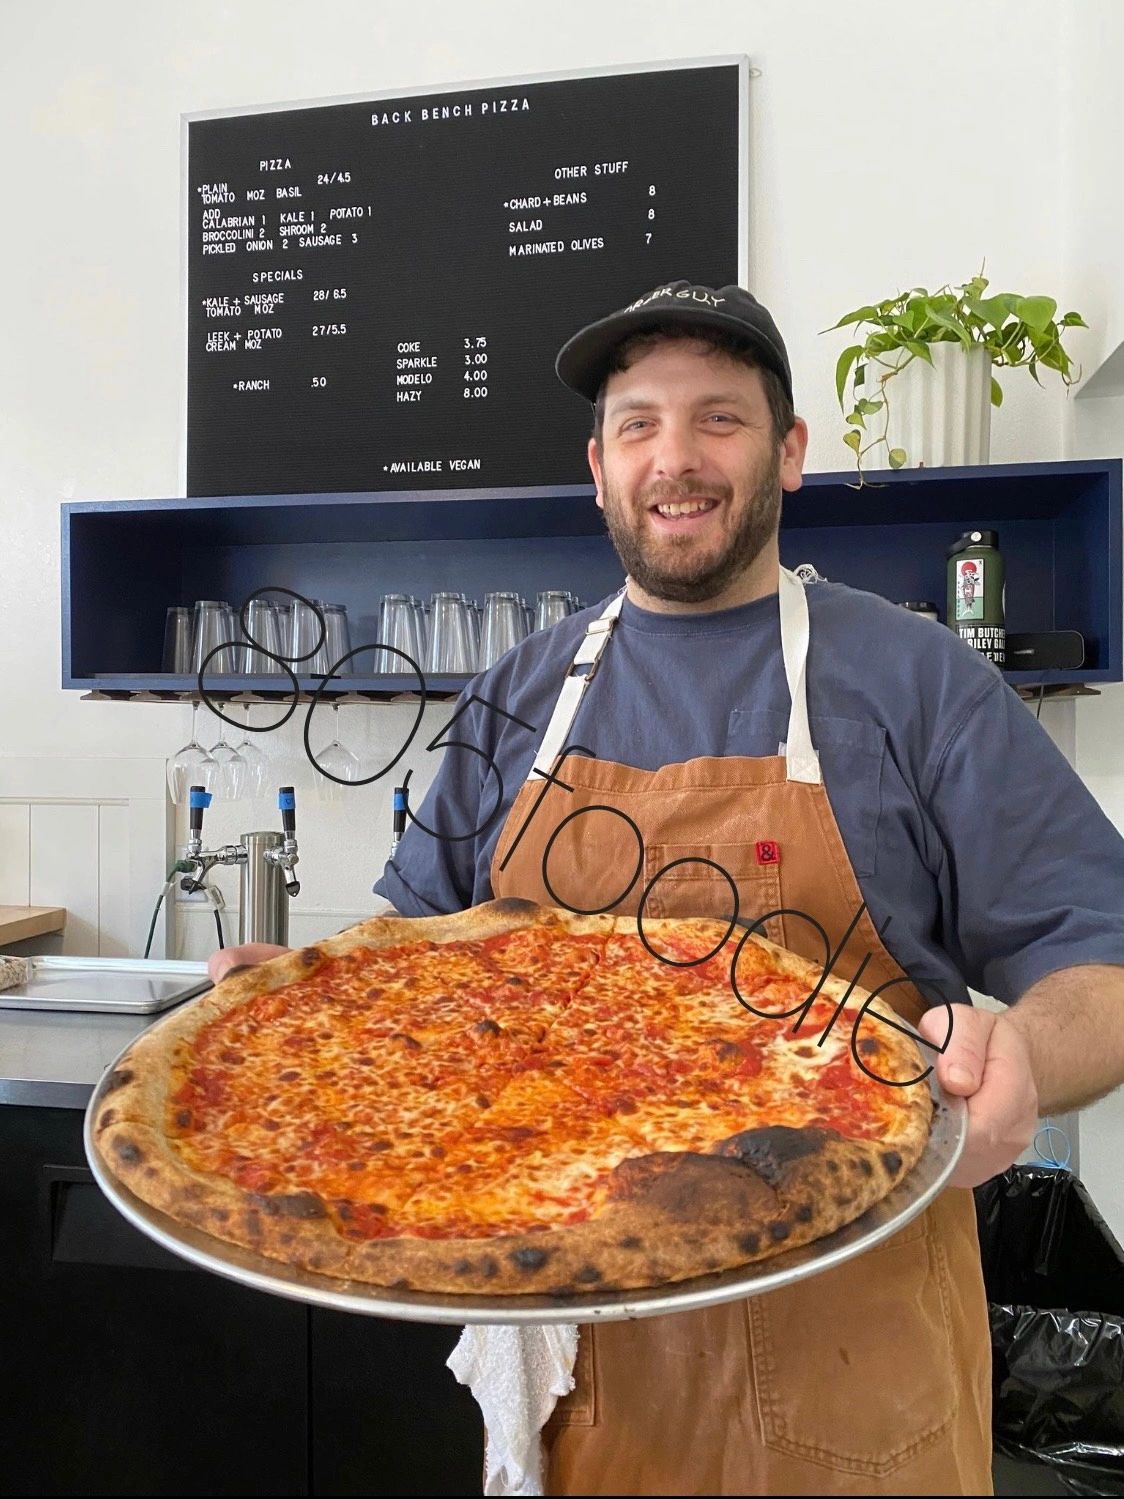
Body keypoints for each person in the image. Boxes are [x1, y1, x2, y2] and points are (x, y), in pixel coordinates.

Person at [212, 279, 1124, 1495]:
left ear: (789, 451)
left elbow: (1099, 962)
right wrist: (317, 1004)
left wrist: (1022, 1053)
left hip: (843, 1355)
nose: (675, 459)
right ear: (598, 465)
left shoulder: (916, 679)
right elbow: (410, 951)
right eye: (638, 423)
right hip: (565, 1361)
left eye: (719, 419)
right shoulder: (518, 690)